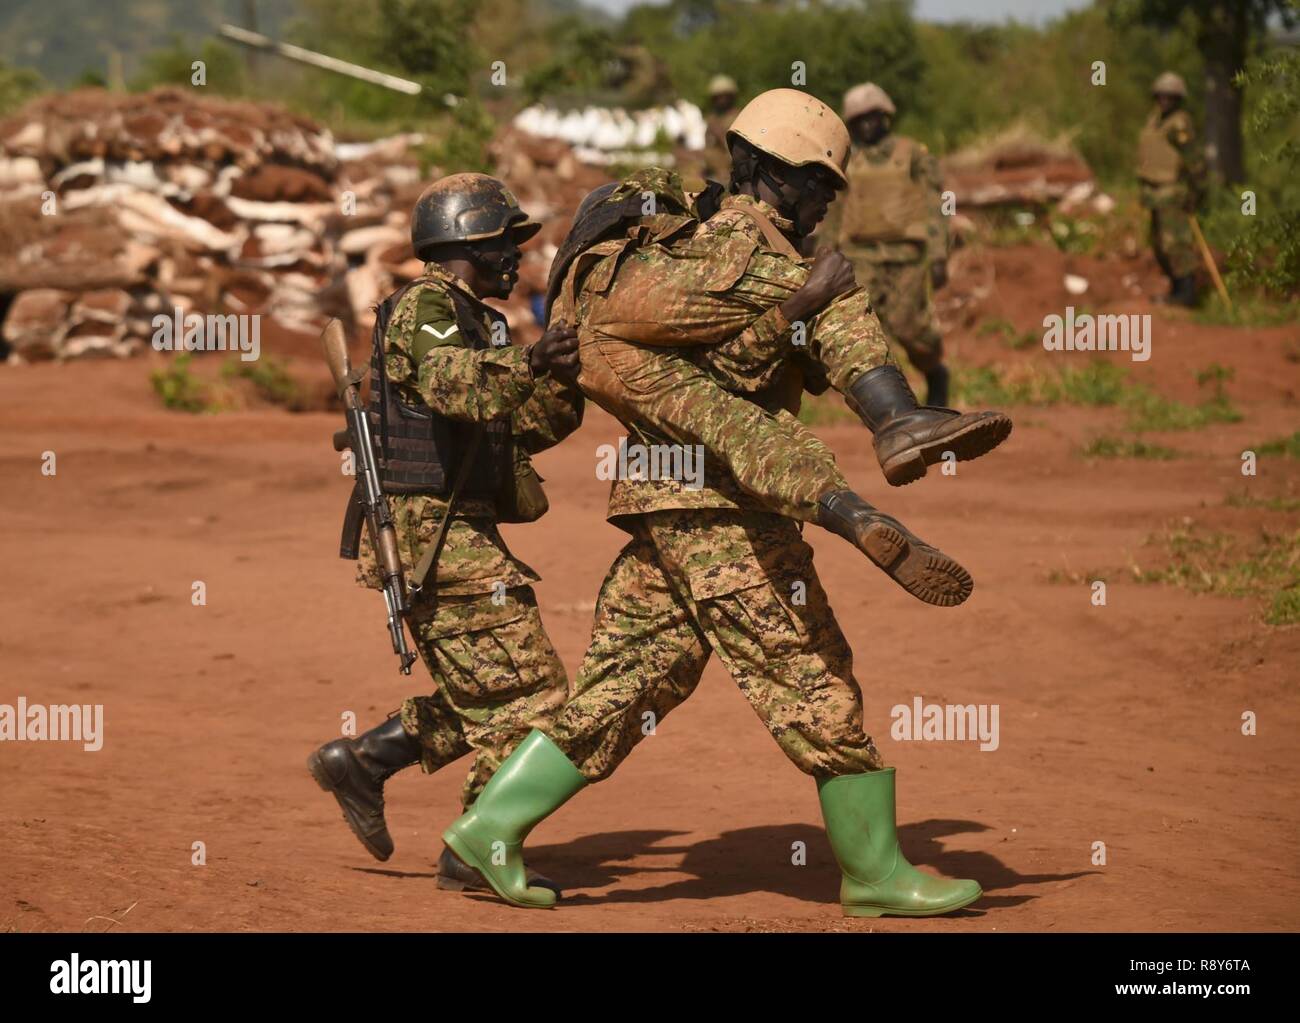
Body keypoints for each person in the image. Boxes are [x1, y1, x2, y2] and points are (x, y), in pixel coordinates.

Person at [439, 92, 988, 919]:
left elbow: (709, 357)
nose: (828, 200)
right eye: (821, 185)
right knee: (811, 673)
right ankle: (874, 872)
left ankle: (487, 829)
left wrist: (791, 316)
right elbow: (713, 369)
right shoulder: (738, 241)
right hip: (721, 503)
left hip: (676, 496)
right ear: (781, 175)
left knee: (628, 682)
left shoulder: (703, 244)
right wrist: (801, 308)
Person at [307, 173, 582, 896]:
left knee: (488, 689)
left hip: (457, 528)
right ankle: (477, 841)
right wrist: (529, 360)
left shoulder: (479, 321)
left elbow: (510, 424)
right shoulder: (428, 308)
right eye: (506, 243)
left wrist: (564, 382)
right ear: (467, 242)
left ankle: (365, 760)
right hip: (431, 534)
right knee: (534, 695)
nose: (517, 259)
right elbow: (455, 385)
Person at [824, 82, 952, 404]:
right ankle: (892, 404)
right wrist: (822, 253)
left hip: (906, 256)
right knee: (864, 331)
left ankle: (935, 373)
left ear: (886, 116)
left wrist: (939, 255)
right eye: (859, 120)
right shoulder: (846, 159)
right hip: (858, 257)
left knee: (910, 327)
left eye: (873, 117)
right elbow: (833, 209)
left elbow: (935, 204)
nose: (867, 125)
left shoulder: (912, 154)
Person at [1136, 71, 1205, 307]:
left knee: (1175, 244)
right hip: (1153, 192)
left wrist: (1196, 194)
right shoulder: (1154, 120)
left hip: (1172, 192)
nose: (1164, 100)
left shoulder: (1180, 123)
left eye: (1170, 97)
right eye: (1161, 96)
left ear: (1178, 99)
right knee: (1159, 245)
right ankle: (1176, 291)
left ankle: (1187, 295)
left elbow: (1195, 161)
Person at [701, 74, 740, 182]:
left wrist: (721, 135)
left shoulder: (739, 117)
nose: (721, 100)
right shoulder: (712, 119)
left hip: (732, 170)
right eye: (718, 97)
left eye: (725, 96)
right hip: (712, 171)